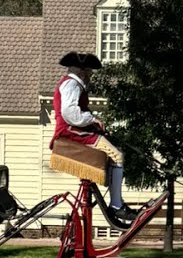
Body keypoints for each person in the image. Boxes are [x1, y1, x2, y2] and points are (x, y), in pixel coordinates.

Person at [51, 51, 137, 221]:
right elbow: (70, 114)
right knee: (116, 155)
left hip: (74, 131)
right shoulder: (72, 85)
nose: (90, 76)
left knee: (115, 155)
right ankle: (117, 206)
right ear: (82, 72)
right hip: (70, 132)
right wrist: (93, 120)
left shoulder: (71, 84)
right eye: (90, 73)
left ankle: (116, 203)